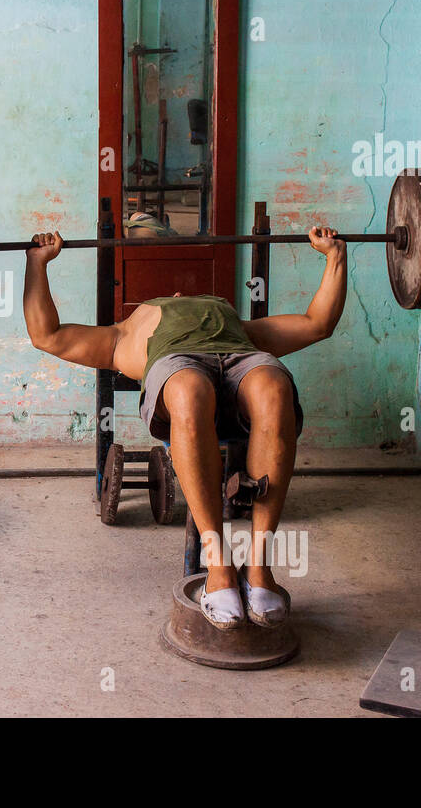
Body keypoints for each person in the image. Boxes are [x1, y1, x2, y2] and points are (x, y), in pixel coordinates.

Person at [22, 226, 346, 628]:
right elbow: (47, 335)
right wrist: (37, 264)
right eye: (173, 297)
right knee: (190, 393)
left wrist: (334, 256)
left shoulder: (240, 326)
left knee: (275, 388)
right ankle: (219, 567)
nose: (182, 296)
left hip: (241, 357)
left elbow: (318, 323)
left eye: (197, 298)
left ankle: (260, 568)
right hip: (176, 366)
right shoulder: (124, 333)